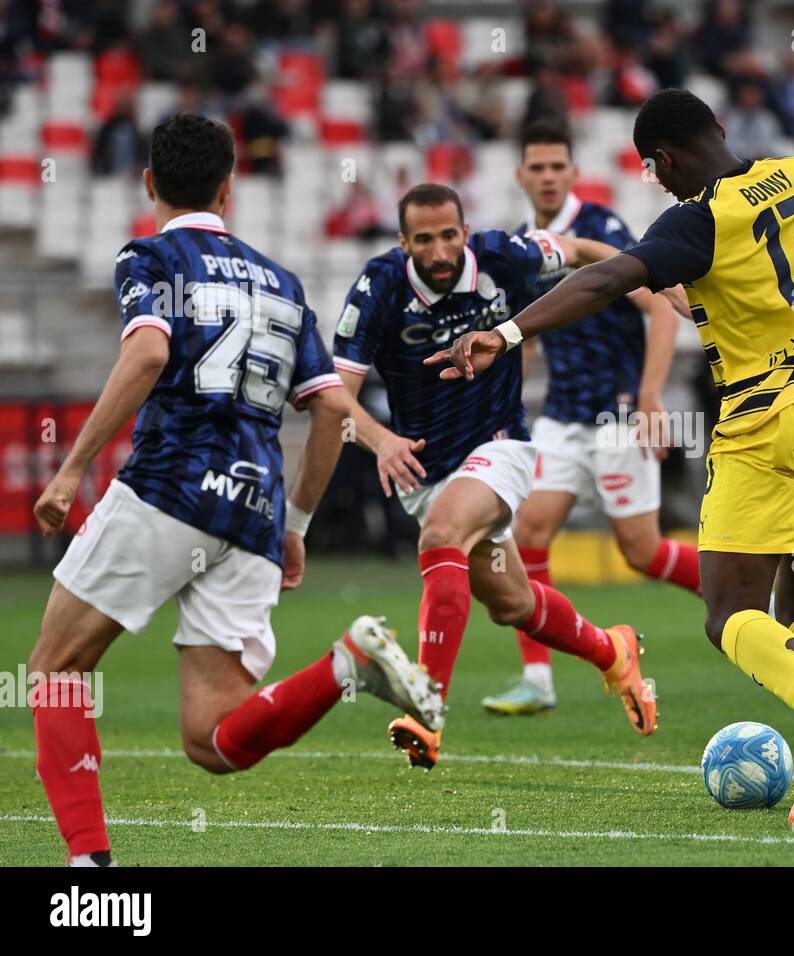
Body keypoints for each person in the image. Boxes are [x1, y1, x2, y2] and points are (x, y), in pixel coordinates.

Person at [431, 89, 794, 828]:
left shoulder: (697, 219)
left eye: (655, 172)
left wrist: (506, 335)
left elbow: (604, 280)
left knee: (730, 613)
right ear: (721, 128)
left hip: (767, 419)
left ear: (663, 161)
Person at [26, 114, 442, 866]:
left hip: (168, 487)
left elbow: (147, 353)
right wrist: (297, 524)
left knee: (56, 670)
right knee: (213, 739)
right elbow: (330, 410)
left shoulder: (150, 256)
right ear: (228, 188)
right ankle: (345, 664)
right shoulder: (282, 282)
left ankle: (88, 865)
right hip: (254, 509)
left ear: (148, 183)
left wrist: (70, 467)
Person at [332, 182, 657, 770]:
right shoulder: (378, 287)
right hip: (422, 466)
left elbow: (578, 249)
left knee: (442, 535)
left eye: (448, 236)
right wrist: (380, 441)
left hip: (499, 445)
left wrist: (649, 275)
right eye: (423, 240)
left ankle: (427, 709)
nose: (439, 252)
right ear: (403, 242)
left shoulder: (504, 255)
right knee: (512, 602)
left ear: (465, 231)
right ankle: (613, 651)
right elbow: (336, 400)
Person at [481, 122, 695, 715]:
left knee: (641, 552)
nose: (548, 177)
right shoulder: (523, 247)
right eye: (538, 167)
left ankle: (759, 603)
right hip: (562, 414)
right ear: (521, 176)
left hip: (618, 409)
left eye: (558, 166)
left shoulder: (601, 228)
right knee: (527, 533)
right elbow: (526, 335)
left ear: (574, 173)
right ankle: (537, 679)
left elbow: (661, 308)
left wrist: (650, 397)